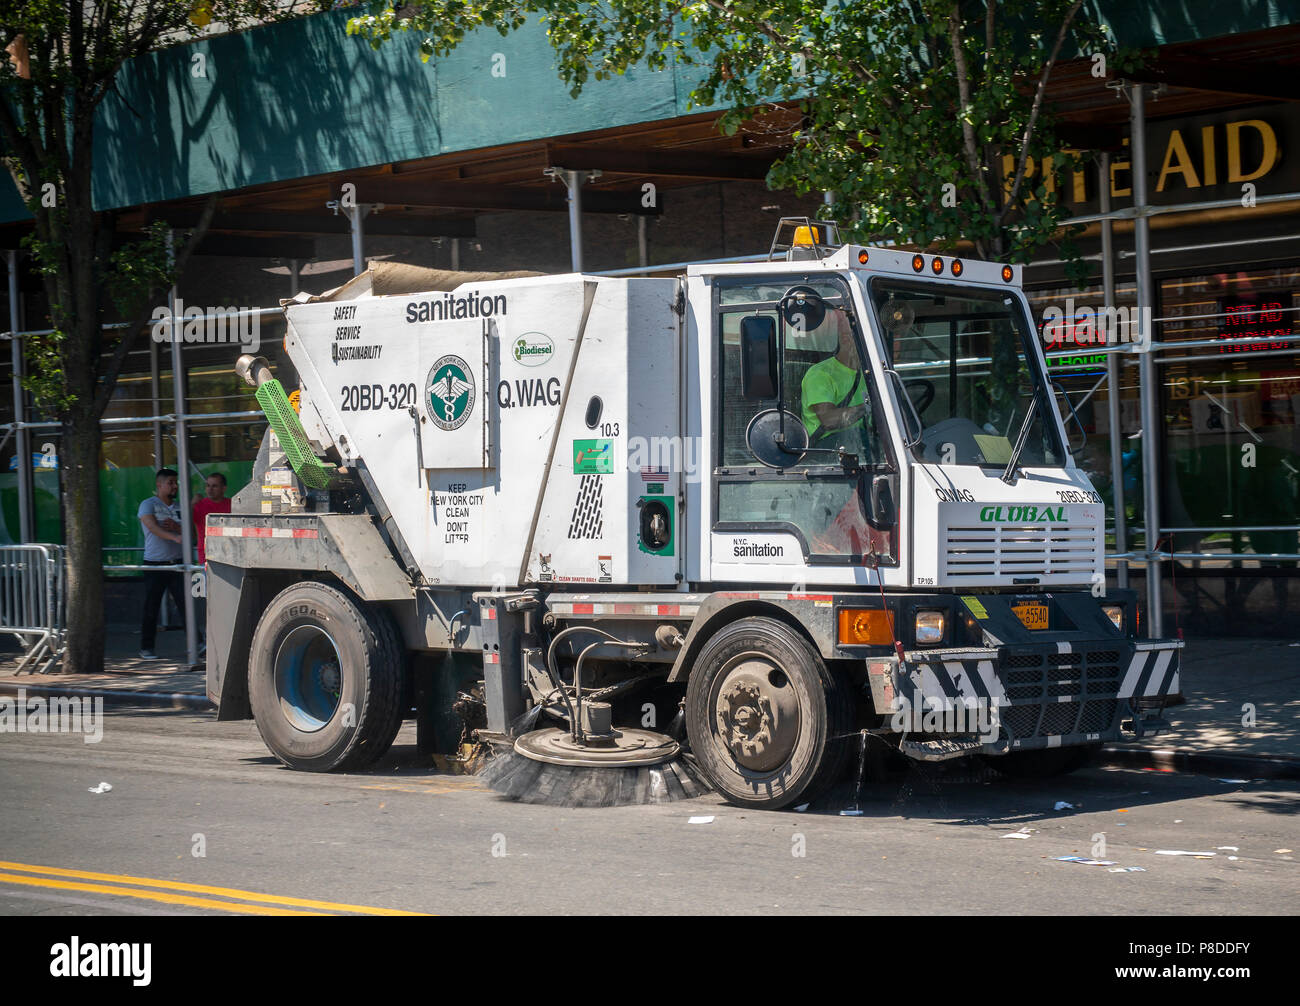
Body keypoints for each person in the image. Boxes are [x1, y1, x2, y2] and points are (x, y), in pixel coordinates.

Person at [138, 468, 188, 660]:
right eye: (170, 483)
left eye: (176, 482)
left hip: (176, 563)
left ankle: (197, 642)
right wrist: (174, 537)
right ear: (159, 485)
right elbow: (151, 526)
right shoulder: (148, 504)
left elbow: (189, 530)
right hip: (155, 564)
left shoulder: (179, 506)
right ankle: (146, 648)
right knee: (152, 607)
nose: (174, 486)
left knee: (185, 605)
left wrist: (177, 528)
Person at [800, 311, 868, 453]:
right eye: (866, 339)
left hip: (860, 440)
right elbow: (829, 420)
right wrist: (867, 407)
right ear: (845, 339)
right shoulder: (821, 374)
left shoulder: (870, 373)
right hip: (828, 448)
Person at [193, 472, 231, 565]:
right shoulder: (198, 506)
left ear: (224, 488)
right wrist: (191, 504)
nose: (210, 489)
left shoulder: (232, 505)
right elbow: (184, 527)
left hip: (228, 555)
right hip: (206, 556)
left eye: (214, 486)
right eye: (208, 485)